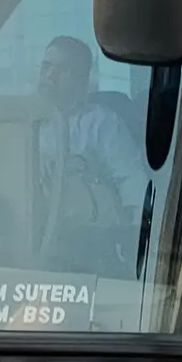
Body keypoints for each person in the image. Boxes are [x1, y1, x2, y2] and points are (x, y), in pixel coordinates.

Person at [35, 35, 148, 265]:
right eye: (46, 67)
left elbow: (132, 181)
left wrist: (136, 237)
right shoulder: (21, 124)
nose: (50, 76)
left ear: (82, 79)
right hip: (27, 241)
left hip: (85, 245)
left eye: (61, 70)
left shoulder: (102, 123)